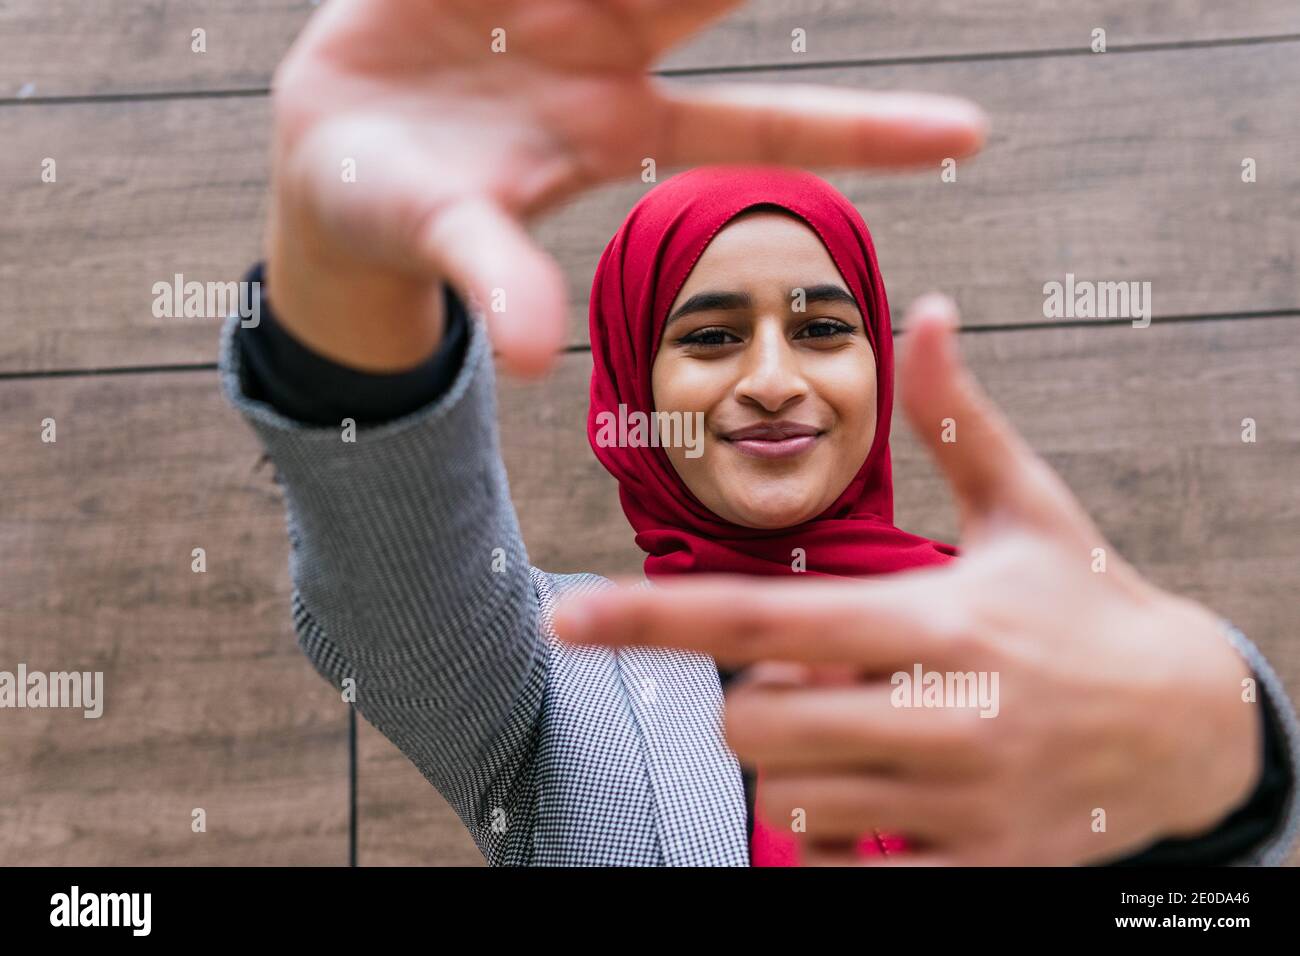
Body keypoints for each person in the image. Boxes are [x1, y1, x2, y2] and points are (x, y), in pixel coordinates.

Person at [219, 0, 1298, 864]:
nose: (775, 380)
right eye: (710, 335)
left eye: (823, 328)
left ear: (877, 360)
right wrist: (346, 264)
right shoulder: (556, 669)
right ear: (634, 384)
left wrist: (1219, 740)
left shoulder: (1018, 632)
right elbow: (392, 564)